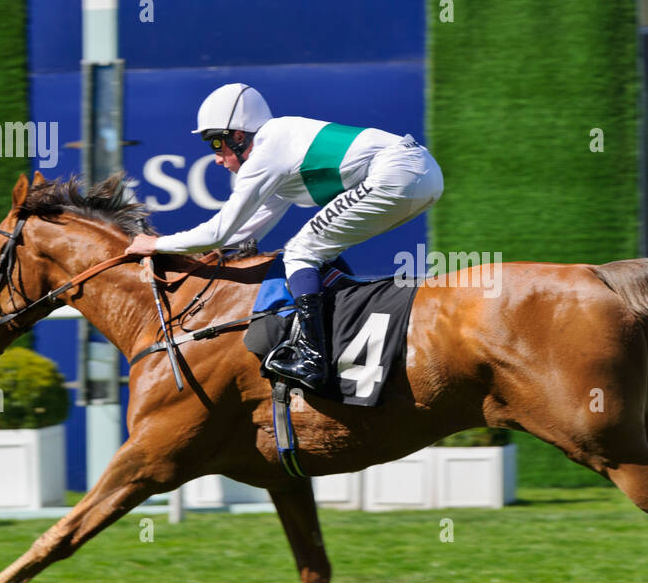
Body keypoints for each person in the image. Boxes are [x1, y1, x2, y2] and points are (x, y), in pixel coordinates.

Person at [125, 83, 443, 392]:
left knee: (300, 252)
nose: (217, 158)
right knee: (315, 251)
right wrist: (200, 254)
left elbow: (219, 231)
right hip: (421, 173)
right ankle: (342, 326)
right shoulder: (278, 148)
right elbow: (244, 232)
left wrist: (154, 244)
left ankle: (313, 358)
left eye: (217, 144)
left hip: (399, 172)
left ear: (238, 136)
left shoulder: (266, 151)